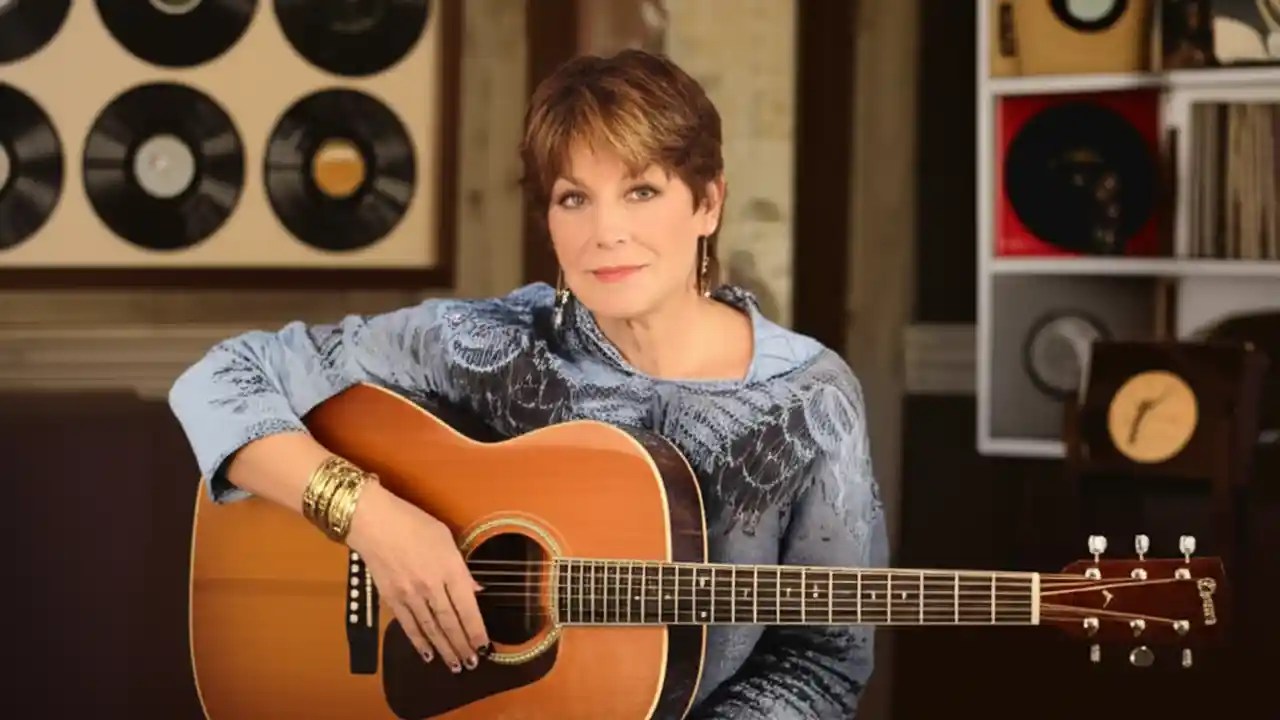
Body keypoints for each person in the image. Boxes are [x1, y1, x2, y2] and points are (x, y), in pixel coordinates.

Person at [168, 48, 889, 719]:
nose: (605, 231)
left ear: (708, 203)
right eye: (575, 198)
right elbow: (218, 378)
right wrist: (374, 520)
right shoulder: (494, 344)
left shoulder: (809, 398)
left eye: (640, 190)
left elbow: (820, 664)